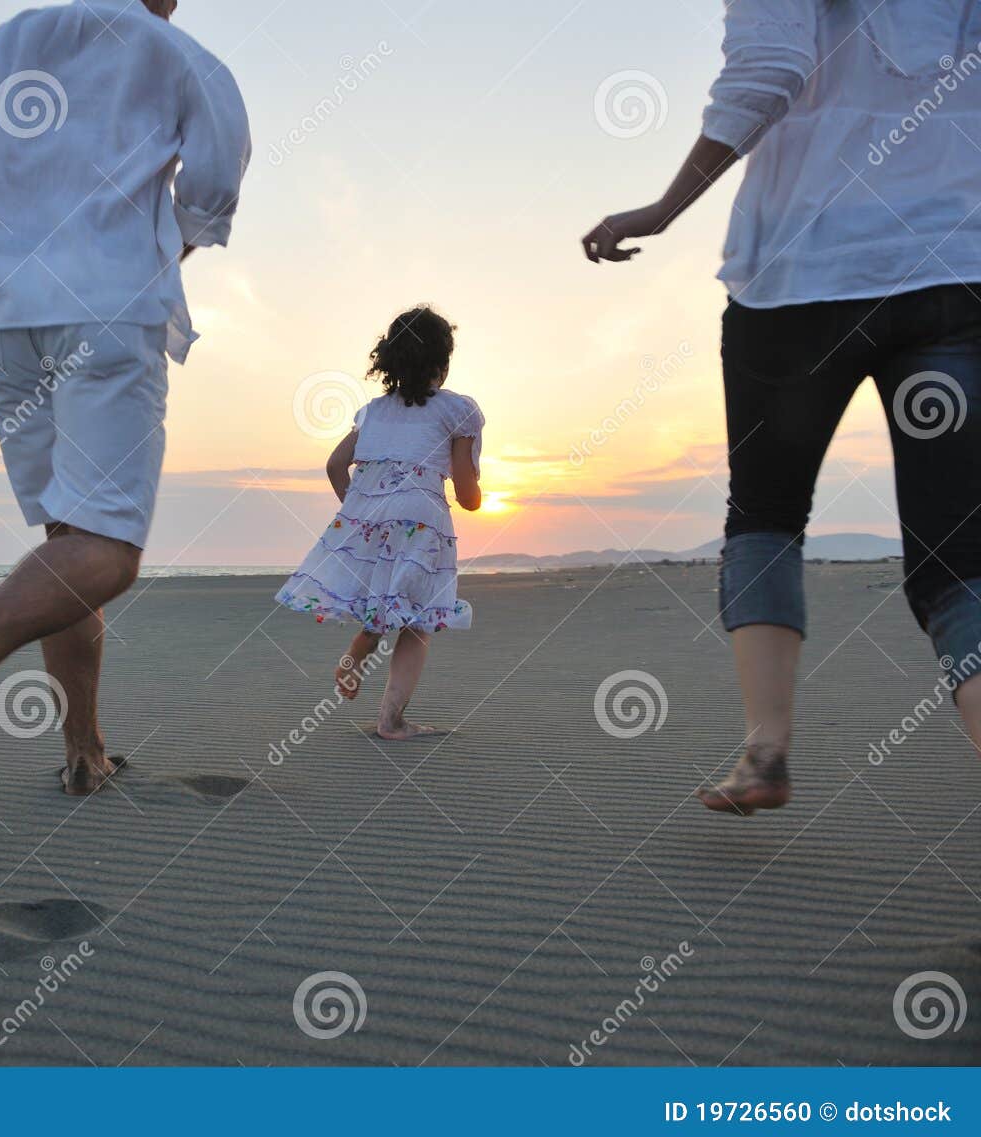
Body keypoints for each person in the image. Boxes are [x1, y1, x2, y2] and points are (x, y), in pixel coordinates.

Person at [581, 0, 981, 813]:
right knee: (959, 558)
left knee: (766, 517)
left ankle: (765, 752)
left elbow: (770, 70)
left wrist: (661, 207)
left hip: (801, 276)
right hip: (953, 268)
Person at [0, 0, 251, 810]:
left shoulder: (17, 37)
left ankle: (83, 750)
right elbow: (214, 189)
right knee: (107, 547)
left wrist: (2, 252)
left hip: (6, 325)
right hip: (106, 314)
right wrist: (139, 259)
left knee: (67, 540)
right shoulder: (180, 57)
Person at [276, 306, 485, 739]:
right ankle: (391, 719)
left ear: (389, 359)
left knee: (386, 595)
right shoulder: (458, 410)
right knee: (419, 621)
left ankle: (367, 638)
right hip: (423, 520)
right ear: (443, 362)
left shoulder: (371, 412)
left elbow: (335, 465)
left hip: (370, 518)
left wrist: (362, 514)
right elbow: (468, 497)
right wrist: (473, 491)